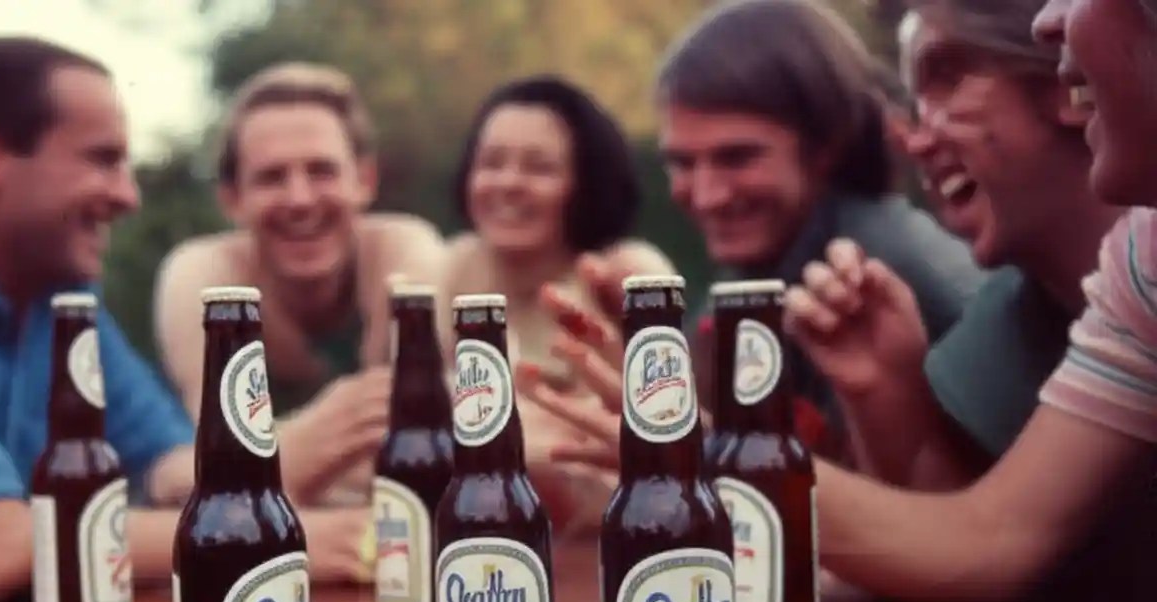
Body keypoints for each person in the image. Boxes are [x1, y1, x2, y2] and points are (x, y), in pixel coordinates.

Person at [519, 0, 1157, 602]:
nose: (910, 137)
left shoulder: (911, 267)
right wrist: (885, 398)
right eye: (682, 162)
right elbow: (978, 535)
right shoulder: (1115, 272)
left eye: (736, 156)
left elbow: (976, 556)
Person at [0, 38, 369, 602]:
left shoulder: (64, 298)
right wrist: (292, 540)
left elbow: (168, 466)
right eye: (102, 160)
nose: (128, 195)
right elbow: (0, 541)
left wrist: (307, 445)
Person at [653, 0, 985, 459]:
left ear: (827, 143)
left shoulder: (903, 275)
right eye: (681, 163)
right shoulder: (756, 274)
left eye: (737, 158)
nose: (707, 195)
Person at [154, 62, 447, 509]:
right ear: (232, 199)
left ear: (364, 181)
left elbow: (432, 443)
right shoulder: (202, 274)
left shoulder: (408, 250)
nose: (300, 199)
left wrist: (287, 452)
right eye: (271, 177)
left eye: (322, 171)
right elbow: (217, 468)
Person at [442, 75, 676, 532]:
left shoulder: (628, 274)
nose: (508, 183)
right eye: (490, 163)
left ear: (585, 183)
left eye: (539, 168)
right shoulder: (455, 268)